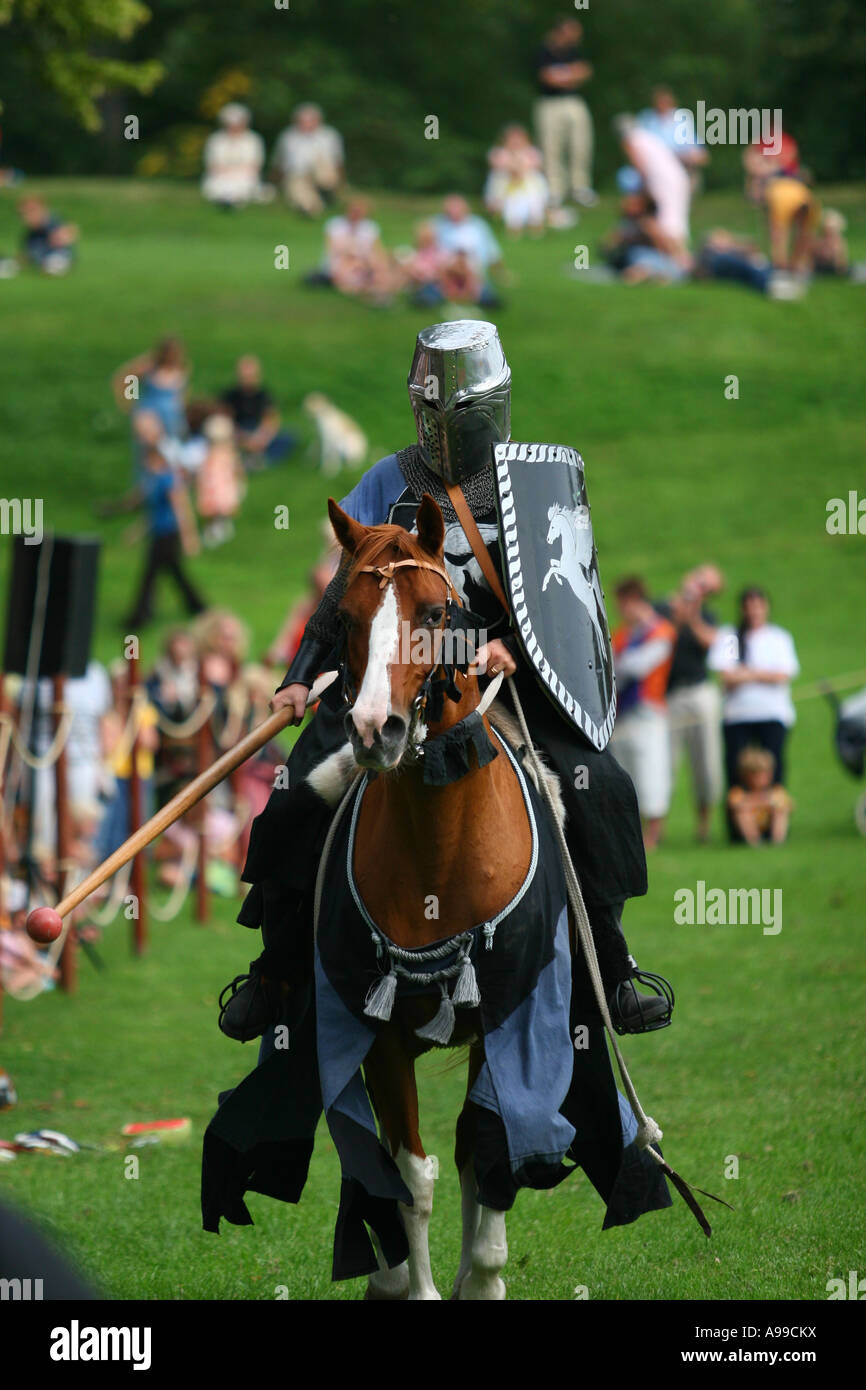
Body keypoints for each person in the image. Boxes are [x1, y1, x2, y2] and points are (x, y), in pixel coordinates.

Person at [218, 319, 673, 1046]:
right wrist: (298, 679)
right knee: (290, 801)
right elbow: (342, 600)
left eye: (464, 414)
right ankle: (276, 974)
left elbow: (565, 601)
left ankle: (610, 972)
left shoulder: (538, 486)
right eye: (439, 414)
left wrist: (504, 650)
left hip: (505, 684)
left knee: (600, 790)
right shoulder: (383, 484)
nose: (452, 431)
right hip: (390, 689)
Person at [708, 586, 799, 797]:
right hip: (738, 715)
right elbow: (727, 675)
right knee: (737, 770)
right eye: (749, 606)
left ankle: (773, 822)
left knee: (774, 769)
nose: (754, 611)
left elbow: (782, 675)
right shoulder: (731, 637)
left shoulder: (778, 638)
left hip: (772, 713)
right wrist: (762, 675)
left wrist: (748, 674)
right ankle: (739, 825)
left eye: (758, 606)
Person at [655, 566, 724, 842]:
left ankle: (703, 826)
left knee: (706, 761)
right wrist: (676, 616)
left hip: (700, 693)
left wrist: (692, 617)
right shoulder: (662, 607)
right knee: (665, 762)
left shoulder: (707, 616)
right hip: (670, 696)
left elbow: (713, 644)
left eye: (707, 588)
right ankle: (656, 829)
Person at [610, 577, 677, 851]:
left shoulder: (661, 631)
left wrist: (620, 665)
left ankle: (653, 834)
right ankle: (632, 833)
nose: (622, 610)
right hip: (622, 714)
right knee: (627, 773)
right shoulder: (622, 635)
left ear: (636, 602)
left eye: (624, 604)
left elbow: (637, 666)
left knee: (652, 771)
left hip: (648, 711)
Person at [124, 437, 206, 628]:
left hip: (169, 534)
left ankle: (140, 616)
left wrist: (189, 537)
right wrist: (137, 532)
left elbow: (180, 508)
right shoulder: (153, 481)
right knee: (173, 573)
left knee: (152, 574)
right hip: (159, 533)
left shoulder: (168, 480)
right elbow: (153, 513)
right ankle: (198, 607)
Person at [533, 16, 597, 220]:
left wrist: (564, 76)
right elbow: (547, 78)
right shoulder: (543, 51)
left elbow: (585, 71)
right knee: (551, 147)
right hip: (549, 104)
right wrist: (570, 75)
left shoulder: (573, 51)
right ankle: (554, 190)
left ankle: (580, 187)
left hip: (573, 101)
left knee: (581, 144)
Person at [615, 116, 692, 269]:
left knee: (665, 222)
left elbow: (640, 166)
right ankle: (683, 258)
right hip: (677, 178)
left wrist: (639, 192)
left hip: (663, 181)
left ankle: (680, 261)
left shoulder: (632, 140)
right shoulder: (646, 137)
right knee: (675, 220)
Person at [220, 355, 295, 467]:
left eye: (251, 376)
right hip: (239, 431)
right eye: (244, 376)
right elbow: (225, 420)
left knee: (289, 437)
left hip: (259, 431)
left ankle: (261, 460)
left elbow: (271, 419)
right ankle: (247, 458)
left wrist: (261, 439)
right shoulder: (230, 396)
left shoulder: (264, 395)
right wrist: (243, 439)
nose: (248, 379)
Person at [272, 104, 344, 216]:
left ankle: (328, 194)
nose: (307, 124)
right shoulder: (288, 137)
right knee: (303, 198)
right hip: (297, 175)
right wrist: (276, 183)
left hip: (322, 173)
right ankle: (312, 207)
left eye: (311, 120)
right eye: (303, 121)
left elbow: (338, 162)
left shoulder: (329, 136)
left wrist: (339, 182)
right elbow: (279, 163)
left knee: (324, 171)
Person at [432, 196, 504, 306]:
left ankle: (473, 293)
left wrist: (500, 272)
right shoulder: (438, 224)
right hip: (447, 264)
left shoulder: (479, 225)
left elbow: (492, 251)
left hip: (473, 263)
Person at [484, 125, 548, 236]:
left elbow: (535, 167)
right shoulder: (498, 152)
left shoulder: (532, 152)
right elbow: (498, 167)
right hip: (506, 186)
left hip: (527, 185)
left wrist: (518, 167)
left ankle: (534, 223)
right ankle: (513, 225)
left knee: (532, 192)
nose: (515, 141)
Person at [201, 103, 268, 209]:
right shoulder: (216, 139)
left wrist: (238, 171)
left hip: (245, 176)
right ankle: (229, 200)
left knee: (247, 186)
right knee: (216, 187)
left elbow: (255, 165)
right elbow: (212, 164)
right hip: (221, 176)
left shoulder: (253, 140)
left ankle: (234, 200)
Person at [727, 747, 794, 846]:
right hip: (743, 832)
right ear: (746, 776)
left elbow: (789, 805)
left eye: (764, 774)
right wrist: (760, 802)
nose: (760, 779)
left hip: (768, 828)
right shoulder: (739, 792)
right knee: (743, 813)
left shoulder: (775, 791)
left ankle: (778, 841)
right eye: (756, 775)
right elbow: (734, 806)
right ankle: (755, 842)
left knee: (780, 812)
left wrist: (772, 805)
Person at [17, 196, 78, 275]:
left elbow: (69, 232)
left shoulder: (52, 222)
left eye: (29, 213)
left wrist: (61, 237)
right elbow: (27, 253)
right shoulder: (31, 234)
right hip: (41, 259)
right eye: (23, 215)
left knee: (54, 261)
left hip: (57, 256)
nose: (26, 218)